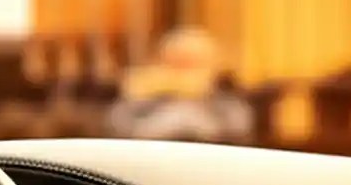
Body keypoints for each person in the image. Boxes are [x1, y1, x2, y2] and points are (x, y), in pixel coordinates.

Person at [107, 27, 253, 143]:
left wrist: (203, 98)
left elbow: (238, 128)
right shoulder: (143, 93)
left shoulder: (222, 96)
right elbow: (119, 125)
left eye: (193, 62)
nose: (185, 70)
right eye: (178, 62)